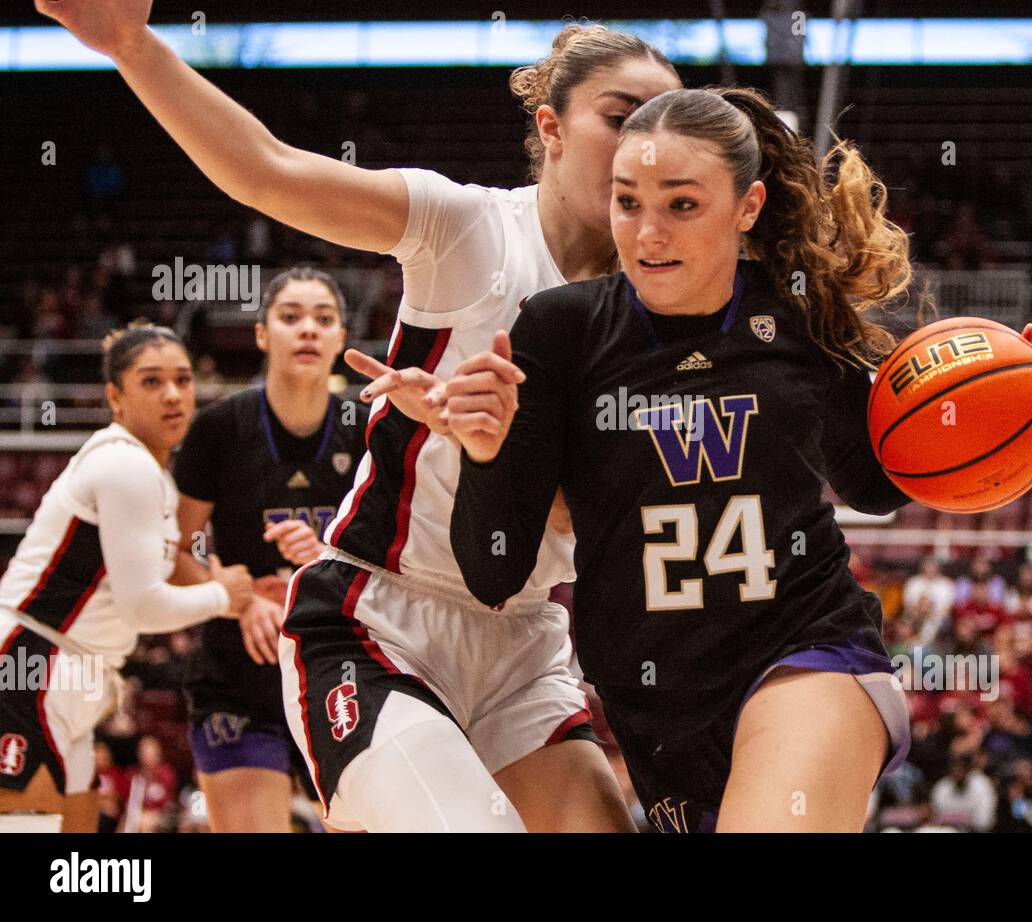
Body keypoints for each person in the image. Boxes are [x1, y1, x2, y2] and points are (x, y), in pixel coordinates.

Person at [38, 0, 682, 831]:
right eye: (620, 119)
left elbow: (586, 513)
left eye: (660, 130)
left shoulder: (657, 313)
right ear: (551, 127)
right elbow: (269, 170)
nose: (641, 148)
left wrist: (485, 439)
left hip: (525, 644)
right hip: (379, 620)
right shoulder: (467, 226)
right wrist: (131, 45)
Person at [436, 86, 1032, 831]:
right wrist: (484, 453)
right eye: (626, 201)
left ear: (748, 206)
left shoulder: (794, 314)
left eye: (682, 205)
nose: (647, 233)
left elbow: (874, 485)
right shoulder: (561, 330)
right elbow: (493, 571)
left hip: (807, 651)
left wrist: (993, 417)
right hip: (656, 713)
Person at [0, 323, 252, 832]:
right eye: (152, 382)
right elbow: (144, 607)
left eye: (182, 379)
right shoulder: (124, 465)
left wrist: (238, 594)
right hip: (29, 664)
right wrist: (223, 596)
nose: (174, 394)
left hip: (65, 669)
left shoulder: (149, 473)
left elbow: (161, 574)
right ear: (115, 396)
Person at [170, 268, 363, 832]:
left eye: (323, 319)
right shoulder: (217, 429)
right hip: (240, 673)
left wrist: (327, 554)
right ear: (261, 334)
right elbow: (172, 552)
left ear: (342, 337)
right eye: (291, 317)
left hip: (343, 666)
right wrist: (237, 597)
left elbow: (401, 564)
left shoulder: (368, 425)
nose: (307, 329)